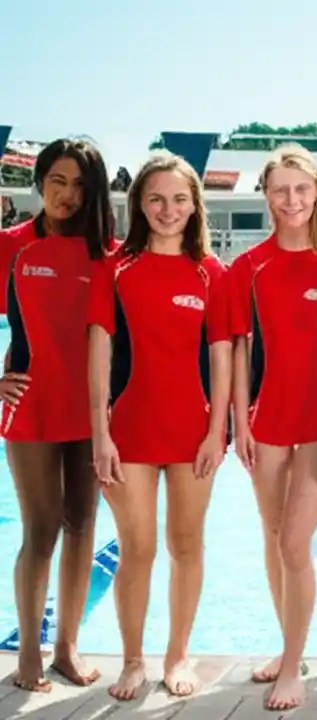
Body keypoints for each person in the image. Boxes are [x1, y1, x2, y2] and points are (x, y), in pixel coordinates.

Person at [87, 151, 232, 700]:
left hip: (192, 430)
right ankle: (131, 660)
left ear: (195, 205)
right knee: (137, 548)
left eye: (178, 199)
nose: (167, 210)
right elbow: (99, 354)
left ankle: (177, 655)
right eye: (155, 199)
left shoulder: (210, 273)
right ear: (139, 205)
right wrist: (100, 433)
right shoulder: (114, 269)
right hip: (129, 431)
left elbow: (221, 357)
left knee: (186, 545)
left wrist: (216, 430)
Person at [227, 144, 317, 710]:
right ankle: (287, 644)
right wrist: (238, 421)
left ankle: (293, 665)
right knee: (275, 541)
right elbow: (243, 348)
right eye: (280, 190)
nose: (291, 200)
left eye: (301, 188)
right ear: (267, 195)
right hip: (268, 418)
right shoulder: (250, 267)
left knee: (295, 542)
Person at [0, 139, 115, 692]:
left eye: (79, 186)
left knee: (83, 524)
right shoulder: (12, 246)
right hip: (35, 405)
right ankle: (27, 653)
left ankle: (67, 647)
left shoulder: (108, 253)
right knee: (40, 530)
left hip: (92, 410)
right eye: (58, 182)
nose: (67, 196)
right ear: (40, 181)